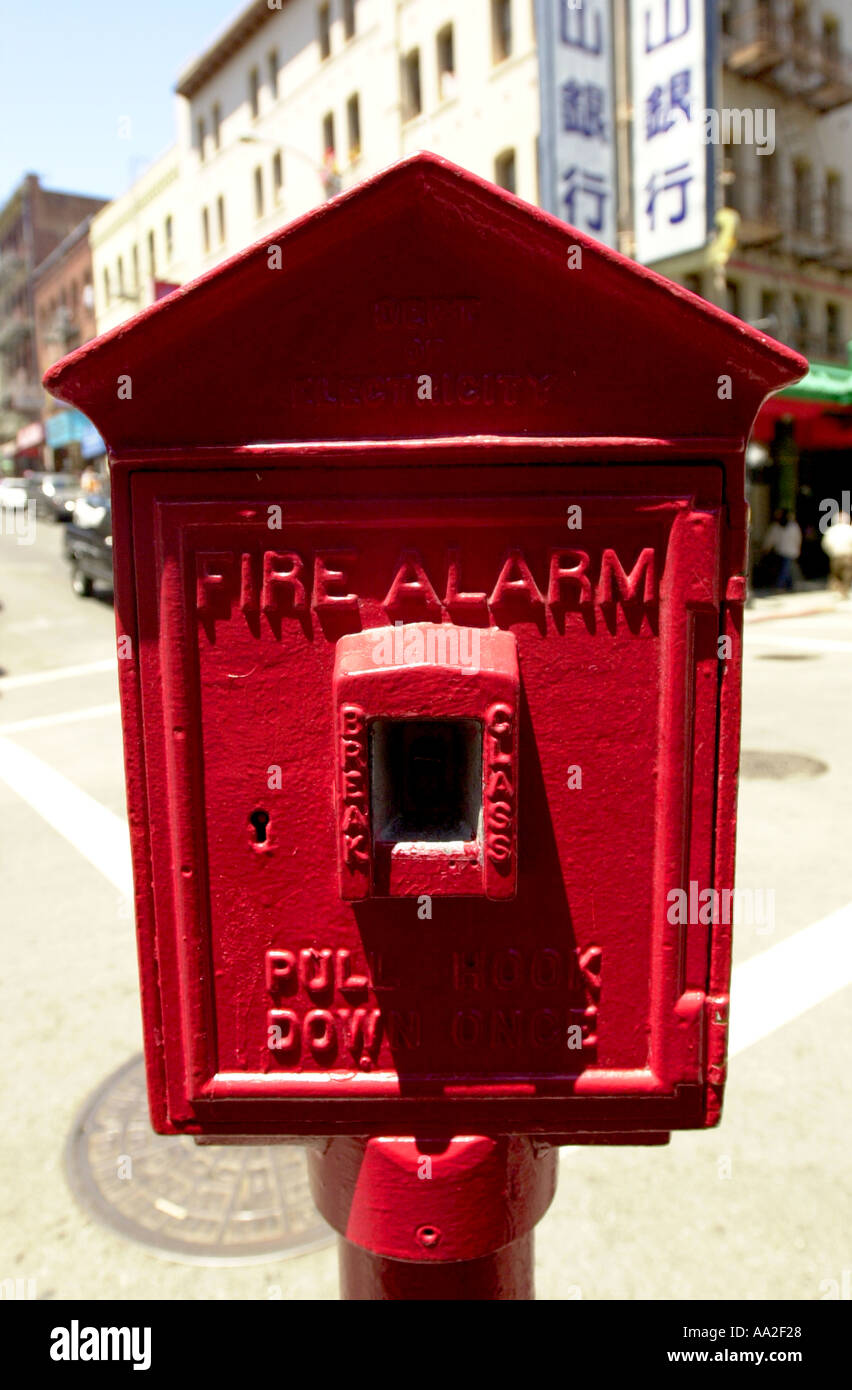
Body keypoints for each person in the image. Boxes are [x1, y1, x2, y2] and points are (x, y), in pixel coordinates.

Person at [761, 509, 802, 592]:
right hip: (781, 551)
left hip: (790, 551)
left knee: (785, 569)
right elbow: (770, 539)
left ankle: (780, 586)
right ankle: (789, 586)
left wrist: (798, 549)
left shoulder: (793, 526)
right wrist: (766, 548)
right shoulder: (776, 527)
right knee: (786, 569)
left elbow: (798, 539)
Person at [822, 510, 852, 599]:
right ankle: (843, 591)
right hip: (847, 556)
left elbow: (825, 544)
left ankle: (838, 589)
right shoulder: (849, 530)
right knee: (847, 574)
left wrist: (831, 553)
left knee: (836, 574)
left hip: (835, 556)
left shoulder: (831, 531)